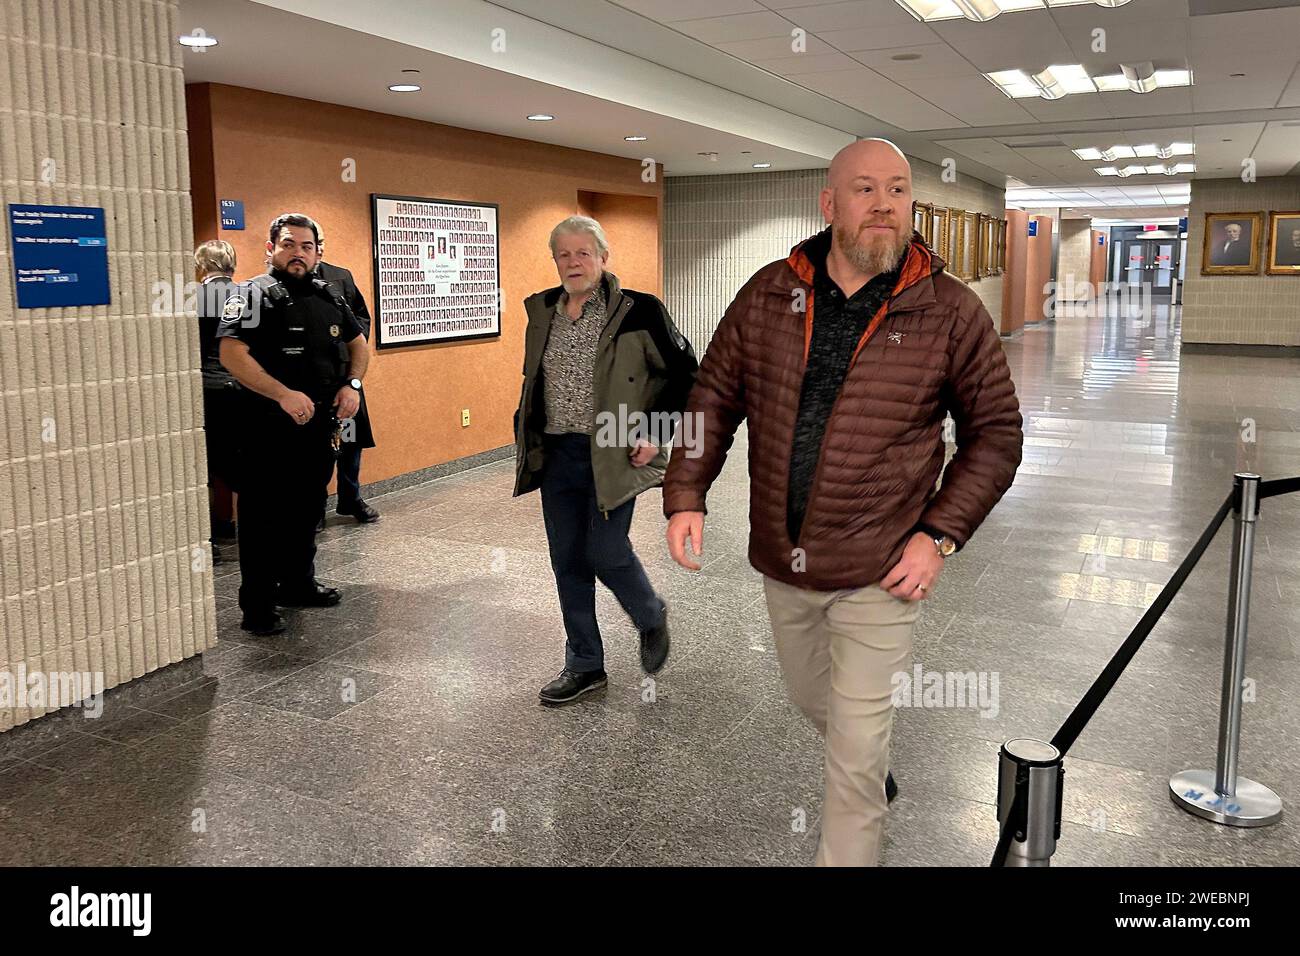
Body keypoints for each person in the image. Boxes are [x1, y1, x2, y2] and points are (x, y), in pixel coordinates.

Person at [662, 139, 1023, 866]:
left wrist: (938, 536)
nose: (884, 204)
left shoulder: (949, 312)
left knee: (853, 760)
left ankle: (859, 792)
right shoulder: (768, 292)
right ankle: (865, 759)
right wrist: (686, 492)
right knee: (812, 701)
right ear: (830, 206)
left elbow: (997, 433)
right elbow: (713, 396)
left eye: (897, 189)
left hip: (879, 568)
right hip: (783, 561)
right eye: (864, 189)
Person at [513, 215, 699, 704]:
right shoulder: (543, 311)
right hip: (557, 452)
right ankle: (584, 664)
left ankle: (649, 613)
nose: (573, 263)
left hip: (614, 450)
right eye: (563, 255)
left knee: (606, 550)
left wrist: (658, 430)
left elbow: (685, 373)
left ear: (602, 258)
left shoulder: (639, 310)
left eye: (583, 253)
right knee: (567, 559)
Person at [217, 213, 368, 635]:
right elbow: (232, 353)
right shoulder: (250, 295)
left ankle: (298, 584)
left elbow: (359, 345)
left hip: (319, 425)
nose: (297, 253)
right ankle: (259, 605)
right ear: (271, 249)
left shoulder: (330, 295)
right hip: (265, 427)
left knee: (307, 508)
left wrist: (352, 385)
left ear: (319, 252)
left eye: (306, 246)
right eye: (288, 245)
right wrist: (282, 393)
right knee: (263, 516)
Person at [315, 233, 379, 526]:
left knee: (351, 441)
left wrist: (350, 346)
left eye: (319, 242)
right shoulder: (281, 284)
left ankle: (350, 498)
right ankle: (314, 508)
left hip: (346, 376)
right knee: (318, 448)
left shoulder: (340, 277)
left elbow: (361, 318)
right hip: (314, 381)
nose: (318, 247)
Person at [194, 239, 241, 563]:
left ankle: (209, 535)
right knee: (242, 461)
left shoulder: (192, 297)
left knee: (206, 465)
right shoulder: (247, 296)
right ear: (231, 265)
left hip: (206, 389)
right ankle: (238, 529)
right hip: (240, 386)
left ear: (202, 266)